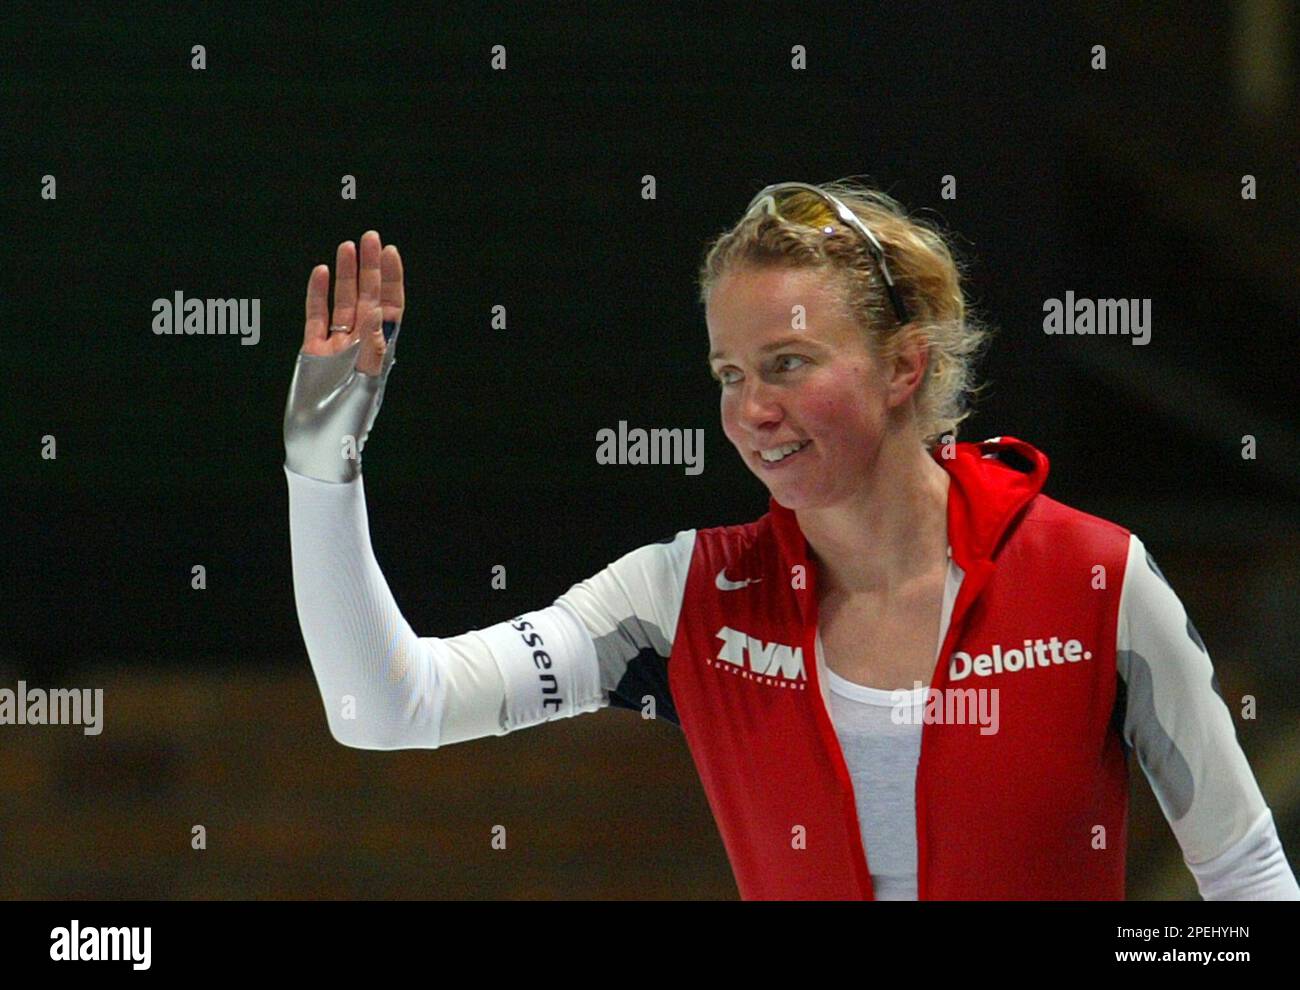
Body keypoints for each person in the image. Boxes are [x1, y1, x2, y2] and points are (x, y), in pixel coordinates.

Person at [283, 179, 1299, 900]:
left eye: (788, 362)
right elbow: (386, 709)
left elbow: (1245, 873)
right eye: (730, 374)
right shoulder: (678, 598)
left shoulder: (1095, 579)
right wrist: (322, 471)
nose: (752, 409)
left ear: (904, 366)